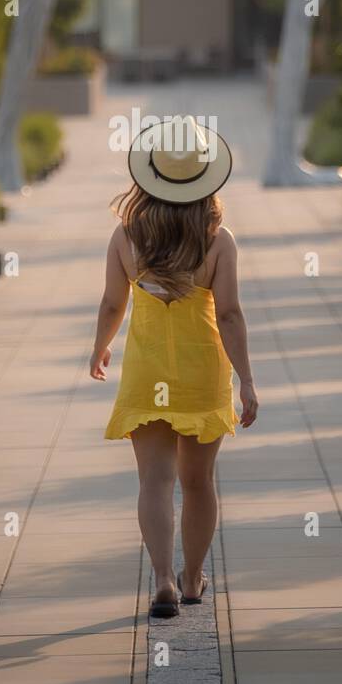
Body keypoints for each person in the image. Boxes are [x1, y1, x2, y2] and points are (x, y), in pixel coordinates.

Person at [90, 115, 258, 619]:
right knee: (198, 482)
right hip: (201, 374)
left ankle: (161, 578)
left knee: (154, 482)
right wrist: (247, 380)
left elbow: (110, 304)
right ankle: (191, 579)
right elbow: (228, 314)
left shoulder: (126, 236)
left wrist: (100, 347)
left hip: (148, 374)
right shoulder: (217, 239)